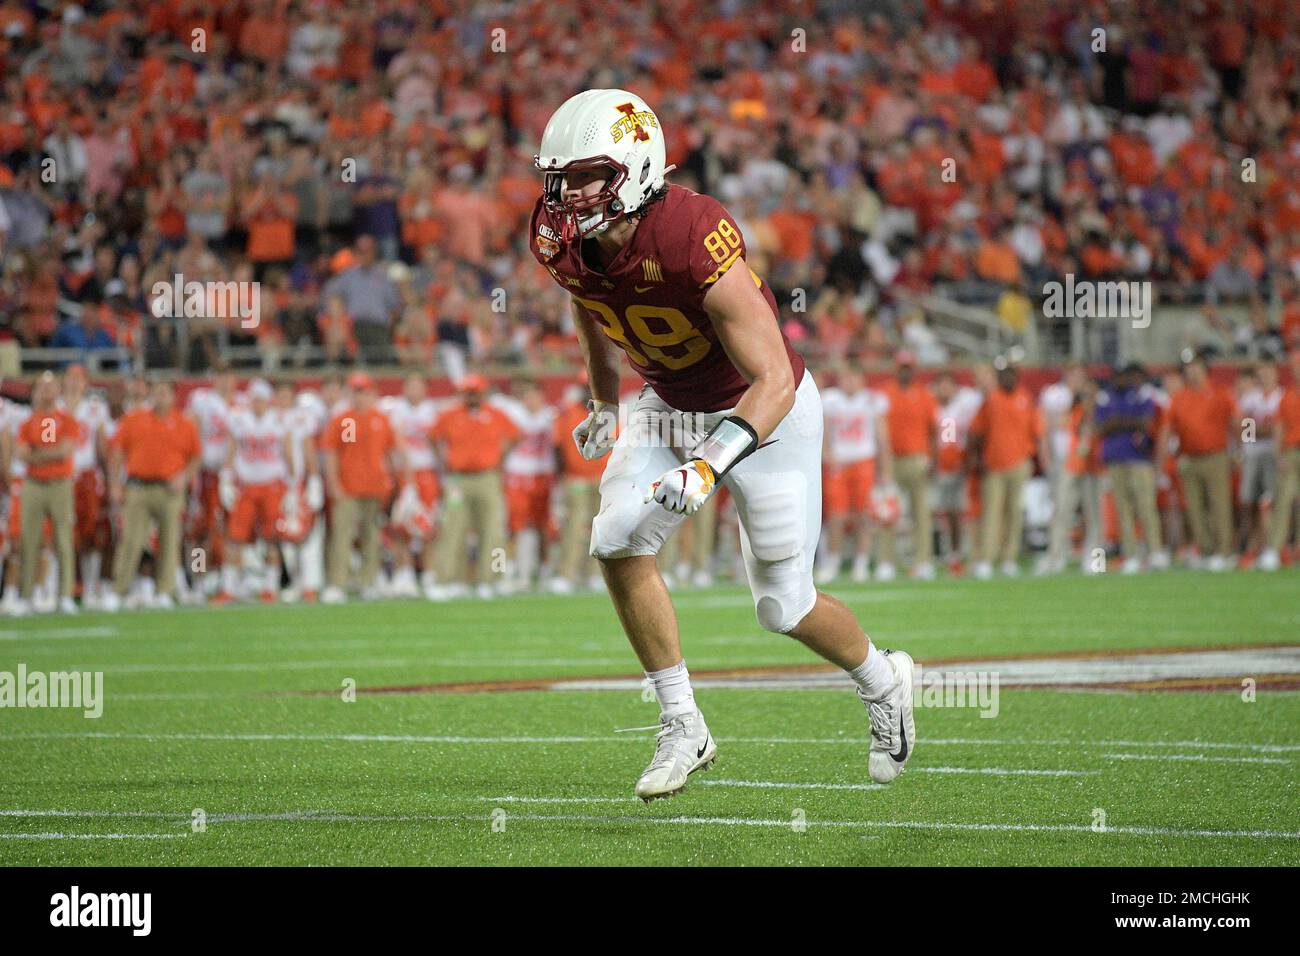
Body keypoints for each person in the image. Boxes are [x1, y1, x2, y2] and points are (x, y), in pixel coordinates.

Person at [529, 89, 915, 800]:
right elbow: (590, 304)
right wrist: (603, 399)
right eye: (560, 179)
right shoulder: (562, 241)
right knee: (615, 537)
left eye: (587, 176)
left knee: (782, 606)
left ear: (637, 169)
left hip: (765, 412)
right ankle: (683, 723)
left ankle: (883, 678)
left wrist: (709, 465)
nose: (569, 196)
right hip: (668, 401)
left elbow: (771, 378)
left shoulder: (692, 231)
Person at [101, 380, 202, 611]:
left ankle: (169, 589)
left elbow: (196, 457)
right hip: (138, 486)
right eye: (156, 392)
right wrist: (115, 484)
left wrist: (183, 477)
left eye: (165, 392)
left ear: (173, 397)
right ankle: (119, 590)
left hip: (169, 489)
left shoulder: (184, 423)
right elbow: (116, 452)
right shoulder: (134, 419)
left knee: (171, 542)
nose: (160, 397)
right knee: (131, 540)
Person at [319, 371, 410, 603]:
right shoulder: (344, 419)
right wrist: (334, 483)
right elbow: (331, 453)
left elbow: (393, 452)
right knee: (342, 536)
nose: (359, 396)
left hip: (376, 487)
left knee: (373, 537)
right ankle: (337, 583)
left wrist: (399, 482)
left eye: (363, 391)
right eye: (355, 391)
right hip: (348, 486)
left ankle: (368, 582)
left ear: (371, 392)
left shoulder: (381, 418)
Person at [427, 375, 520, 599]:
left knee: (491, 530)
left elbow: (515, 436)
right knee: (452, 529)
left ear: (483, 392)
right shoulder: (450, 415)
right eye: (467, 392)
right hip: (458, 479)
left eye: (474, 392)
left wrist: (500, 460)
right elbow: (432, 437)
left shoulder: (496, 415)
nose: (471, 396)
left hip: (488, 477)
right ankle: (448, 579)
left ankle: (488, 580)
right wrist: (444, 463)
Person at [817, 366, 892, 583]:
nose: (849, 382)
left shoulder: (871, 400)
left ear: (861, 379)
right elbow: (824, 431)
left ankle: (861, 561)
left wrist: (885, 471)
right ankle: (833, 560)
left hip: (863, 461)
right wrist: (827, 455)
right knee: (836, 516)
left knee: (864, 515)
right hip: (839, 463)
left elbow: (882, 437)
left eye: (853, 377)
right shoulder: (830, 400)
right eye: (846, 377)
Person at [13, 372, 80, 615]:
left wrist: (37, 453)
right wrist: (47, 452)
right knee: (28, 541)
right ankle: (25, 595)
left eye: (51, 386)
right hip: (33, 483)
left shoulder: (66, 419)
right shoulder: (28, 421)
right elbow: (20, 453)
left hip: (60, 484)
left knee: (63, 540)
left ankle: (65, 595)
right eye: (42, 387)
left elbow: (64, 451)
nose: (47, 391)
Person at [968, 361, 1042, 578]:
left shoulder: (1025, 398)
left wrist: (1032, 457)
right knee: (992, 513)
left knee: (1014, 512)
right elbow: (976, 431)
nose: (1007, 378)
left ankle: (1009, 558)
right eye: (1003, 375)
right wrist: (977, 458)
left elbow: (1036, 431)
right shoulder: (991, 399)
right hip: (994, 465)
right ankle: (987, 559)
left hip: (1019, 463)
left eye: (1011, 374)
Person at [1164, 353, 1236, 571]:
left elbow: (1240, 420)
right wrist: (1167, 456)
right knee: (1194, 508)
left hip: (1216, 455)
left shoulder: (1220, 392)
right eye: (1188, 367)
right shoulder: (1180, 397)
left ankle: (1224, 553)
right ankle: (1205, 551)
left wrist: (1242, 449)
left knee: (1219, 505)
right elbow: (1168, 429)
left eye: (1195, 366)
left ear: (1204, 369)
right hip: (1189, 457)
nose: (1192, 371)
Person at [1095, 363, 1168, 572]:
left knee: (1146, 506)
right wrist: (1129, 423)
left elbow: (1146, 423)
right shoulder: (1105, 397)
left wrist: (1116, 423)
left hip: (1139, 459)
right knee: (1123, 509)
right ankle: (1131, 553)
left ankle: (1155, 552)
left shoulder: (1141, 395)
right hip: (1115, 459)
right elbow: (1100, 427)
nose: (1119, 381)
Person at [878, 350, 936, 579]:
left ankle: (923, 560)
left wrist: (935, 458)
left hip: (917, 459)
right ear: (896, 368)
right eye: (902, 367)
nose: (905, 371)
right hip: (891, 460)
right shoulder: (884, 393)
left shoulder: (924, 394)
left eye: (908, 367)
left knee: (922, 513)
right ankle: (886, 561)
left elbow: (937, 429)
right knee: (888, 513)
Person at [1259, 350, 1300, 571]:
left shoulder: (1282, 395)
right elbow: (1277, 427)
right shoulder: (1287, 396)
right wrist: (1278, 454)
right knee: (1282, 500)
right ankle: (1274, 549)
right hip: (1291, 451)